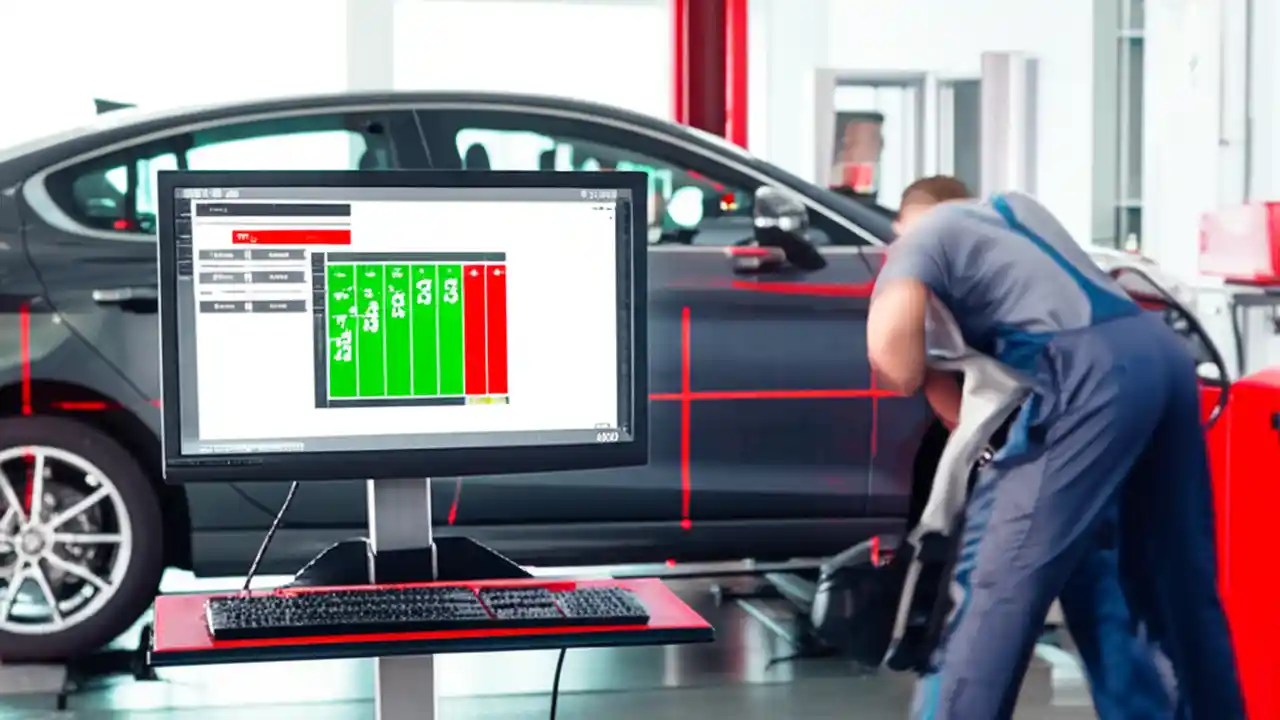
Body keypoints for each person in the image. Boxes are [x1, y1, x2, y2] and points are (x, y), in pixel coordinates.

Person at [869, 177, 1244, 719]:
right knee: (1167, 587)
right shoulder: (1014, 211)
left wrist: (902, 341)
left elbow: (896, 365)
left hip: (1084, 375)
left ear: (905, 222)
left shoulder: (922, 238)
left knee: (994, 588)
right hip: (1161, 358)